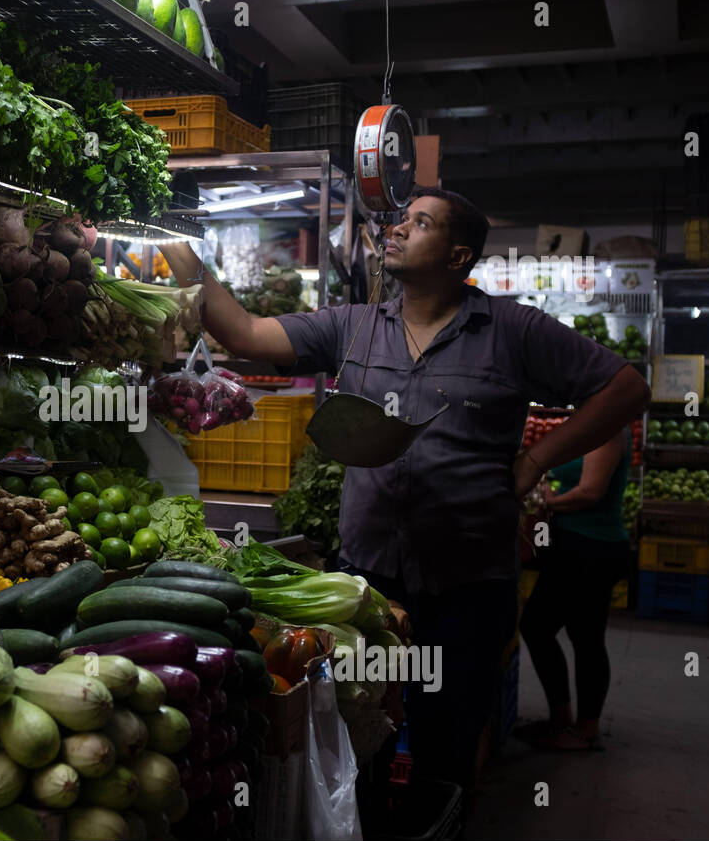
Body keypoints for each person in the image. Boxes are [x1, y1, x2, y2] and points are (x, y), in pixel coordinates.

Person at [157, 187, 650, 801]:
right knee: (365, 732)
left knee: (446, 744)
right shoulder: (352, 327)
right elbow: (244, 332)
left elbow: (626, 390)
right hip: (372, 583)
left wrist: (535, 461)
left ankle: (439, 818)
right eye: (401, 218)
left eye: (419, 223)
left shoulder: (513, 330)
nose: (396, 229)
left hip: (468, 584)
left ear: (457, 254)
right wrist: (172, 245)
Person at [519, 428, 631, 751]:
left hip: (592, 548)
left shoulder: (608, 430)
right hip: (579, 545)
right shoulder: (588, 423)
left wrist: (551, 502)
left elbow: (590, 492)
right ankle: (567, 722)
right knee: (575, 633)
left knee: (556, 630)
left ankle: (582, 729)